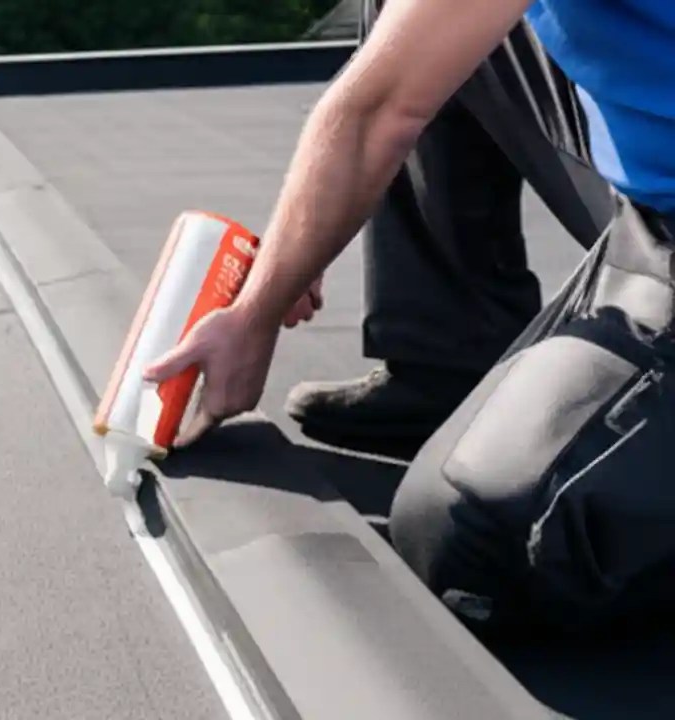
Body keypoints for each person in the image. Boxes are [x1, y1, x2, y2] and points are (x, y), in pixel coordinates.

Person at [145, 0, 675, 637]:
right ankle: (442, 363)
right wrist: (299, 242)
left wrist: (255, 314)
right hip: (650, 194)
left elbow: (378, 110)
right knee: (415, 26)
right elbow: (395, 75)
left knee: (480, 541)